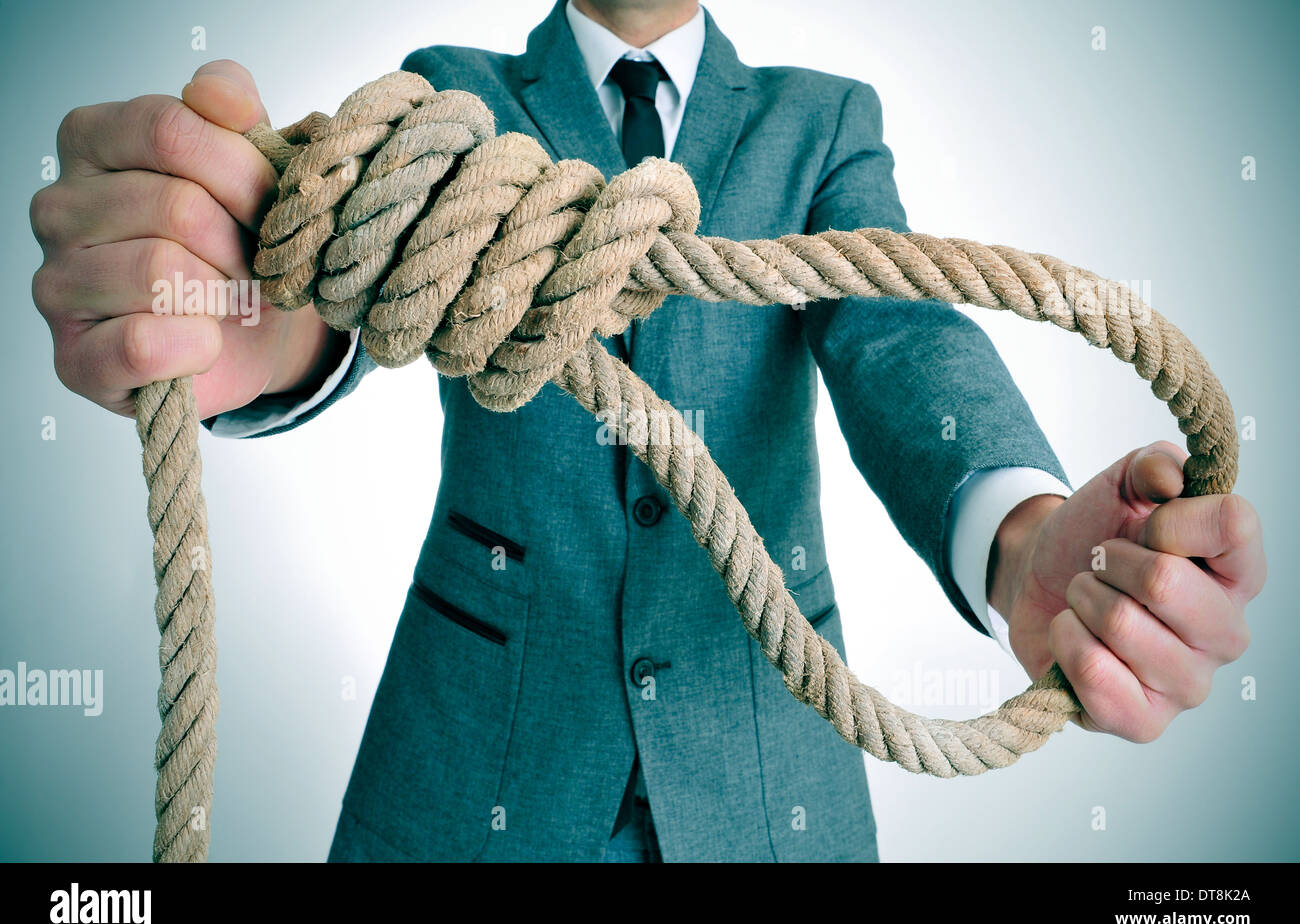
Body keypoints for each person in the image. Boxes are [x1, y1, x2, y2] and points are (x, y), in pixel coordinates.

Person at [29, 0, 1266, 862]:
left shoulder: (819, 122)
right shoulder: (457, 94)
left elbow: (896, 333)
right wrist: (267, 326)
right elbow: (382, 281)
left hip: (768, 779)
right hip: (477, 767)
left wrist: (1024, 537)